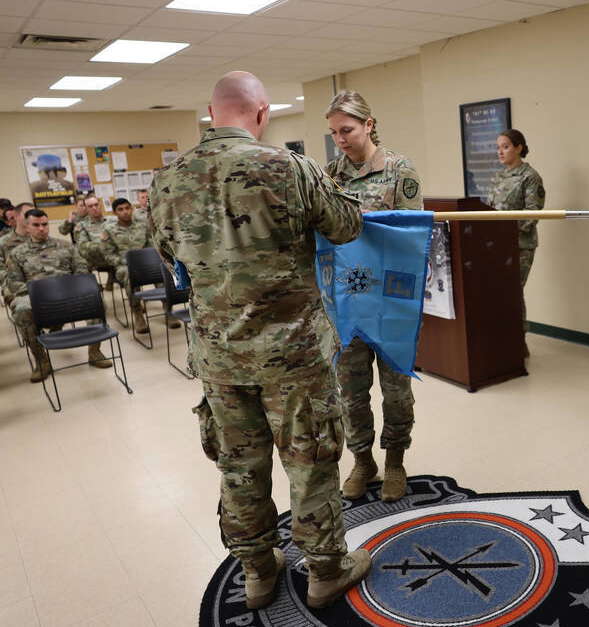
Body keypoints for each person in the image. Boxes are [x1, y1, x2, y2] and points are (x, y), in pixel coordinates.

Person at [150, 71, 369, 610]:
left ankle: (256, 571)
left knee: (238, 465)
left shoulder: (167, 180)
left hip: (220, 358)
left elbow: (167, 254)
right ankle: (324, 570)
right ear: (263, 113)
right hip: (293, 355)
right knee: (310, 459)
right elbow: (346, 227)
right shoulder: (291, 168)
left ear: (210, 112)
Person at [325, 90, 422, 503]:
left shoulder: (400, 170)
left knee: (396, 389)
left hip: (392, 298)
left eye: (346, 129)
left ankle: (396, 460)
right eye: (333, 133)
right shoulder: (330, 175)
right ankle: (363, 461)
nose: (340, 140)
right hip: (347, 300)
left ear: (368, 124)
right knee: (351, 390)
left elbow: (414, 236)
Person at [7, 209, 113, 382]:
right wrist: (40, 293)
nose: (41, 228)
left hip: (67, 291)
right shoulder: (17, 253)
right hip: (37, 296)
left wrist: (71, 288)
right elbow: (14, 283)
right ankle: (42, 361)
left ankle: (94, 352)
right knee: (21, 310)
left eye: (44, 224)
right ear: (27, 227)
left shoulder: (65, 246)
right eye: (36, 225)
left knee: (97, 301)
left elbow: (81, 270)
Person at [485, 129, 545, 351]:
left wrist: (505, 233)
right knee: (501, 291)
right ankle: (506, 340)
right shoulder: (499, 176)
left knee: (512, 291)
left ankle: (518, 342)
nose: (500, 151)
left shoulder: (530, 177)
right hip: (496, 245)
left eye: (506, 146)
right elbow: (489, 210)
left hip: (520, 245)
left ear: (519, 147)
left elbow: (533, 213)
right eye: (498, 147)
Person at [100, 198, 177, 334]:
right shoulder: (109, 230)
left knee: (161, 271)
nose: (125, 212)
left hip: (145, 263)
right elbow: (108, 254)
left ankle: (168, 310)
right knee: (129, 274)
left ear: (131, 208)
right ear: (115, 212)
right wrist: (124, 262)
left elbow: (151, 245)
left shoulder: (143, 225)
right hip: (124, 266)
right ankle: (137, 313)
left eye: (127, 208)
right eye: (120, 210)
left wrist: (149, 261)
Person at [0, 202, 34, 307]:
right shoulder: (3, 242)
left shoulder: (38, 237)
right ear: (17, 216)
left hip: (39, 280)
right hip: (15, 283)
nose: (32, 217)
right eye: (27, 214)